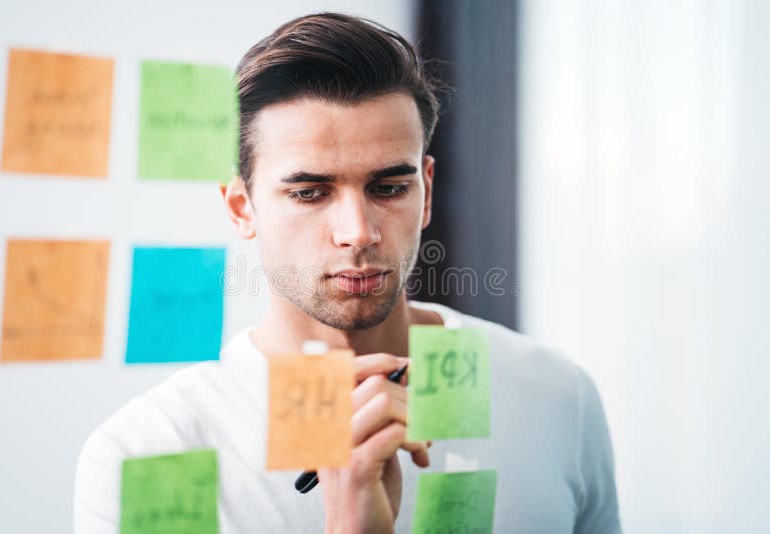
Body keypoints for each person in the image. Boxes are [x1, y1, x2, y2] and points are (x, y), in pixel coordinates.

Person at [74, 12, 621, 533]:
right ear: (242, 208)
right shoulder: (145, 453)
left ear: (425, 192)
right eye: (309, 192)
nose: (357, 231)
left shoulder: (556, 396)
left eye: (389, 188)